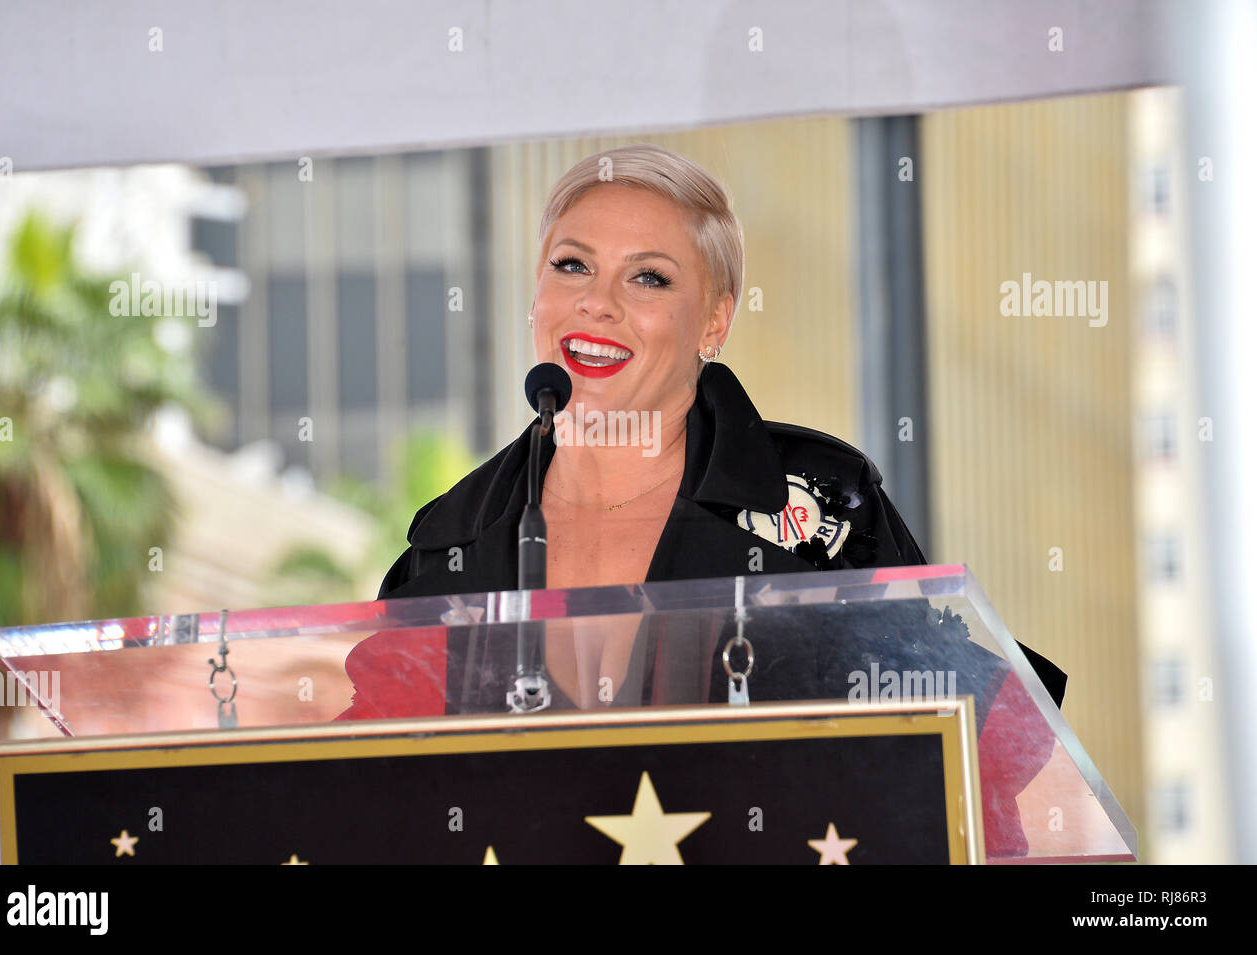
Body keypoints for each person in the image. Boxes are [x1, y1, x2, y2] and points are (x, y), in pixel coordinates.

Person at [338, 144, 1066, 858]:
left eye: (648, 278)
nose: (598, 302)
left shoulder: (818, 510)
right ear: (537, 295)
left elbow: (976, 762)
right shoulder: (444, 550)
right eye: (572, 265)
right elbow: (371, 809)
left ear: (714, 320)